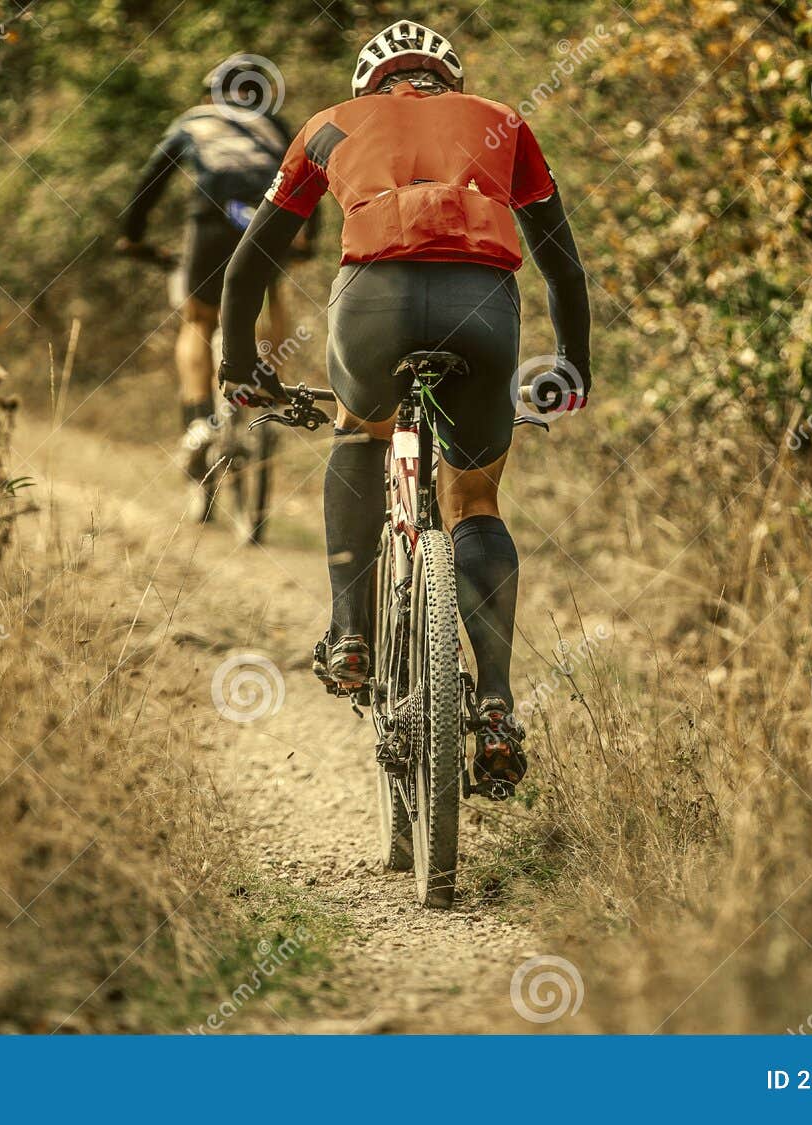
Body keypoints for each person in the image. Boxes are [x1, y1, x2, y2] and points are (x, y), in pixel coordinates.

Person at [218, 20, 591, 792]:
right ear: (447, 82)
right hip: (482, 304)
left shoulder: (329, 125)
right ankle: (494, 706)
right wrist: (573, 366)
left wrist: (237, 364)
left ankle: (350, 633)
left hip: (374, 303)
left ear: (371, 85)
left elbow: (250, 260)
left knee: (360, 429)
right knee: (477, 497)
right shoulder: (503, 122)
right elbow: (563, 264)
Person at [119, 54, 312, 518]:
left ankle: (201, 418)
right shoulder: (276, 125)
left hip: (213, 218)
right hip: (269, 218)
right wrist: (308, 238)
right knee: (272, 293)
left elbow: (150, 182)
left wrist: (132, 236)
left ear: (209, 93)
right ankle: (270, 381)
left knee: (198, 318)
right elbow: (309, 174)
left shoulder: (195, 120)